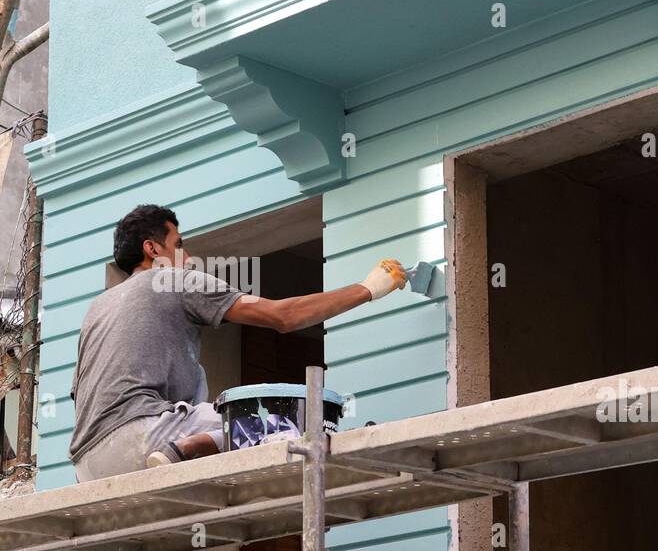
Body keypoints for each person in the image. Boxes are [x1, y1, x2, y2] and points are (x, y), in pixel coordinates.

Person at [68, 204, 407, 481]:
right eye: (179, 245)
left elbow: (80, 396)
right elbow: (283, 316)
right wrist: (368, 288)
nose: (187, 258)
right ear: (152, 249)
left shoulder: (96, 310)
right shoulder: (172, 278)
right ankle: (188, 446)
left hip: (88, 463)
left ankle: (188, 446)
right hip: (143, 436)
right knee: (281, 424)